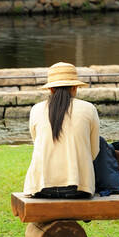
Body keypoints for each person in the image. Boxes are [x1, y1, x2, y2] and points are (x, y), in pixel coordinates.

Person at [23, 62, 100, 200]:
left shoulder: (36, 110)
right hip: (78, 188)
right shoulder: (89, 109)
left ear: (51, 89)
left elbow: (37, 144)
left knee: (40, 222)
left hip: (41, 187)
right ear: (75, 87)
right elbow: (93, 152)